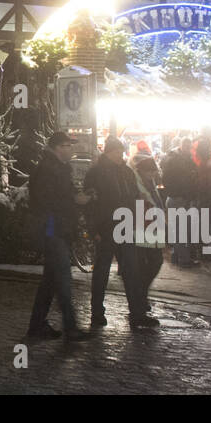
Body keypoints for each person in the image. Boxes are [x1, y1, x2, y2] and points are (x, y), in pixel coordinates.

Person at [27, 132, 90, 342]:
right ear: (57, 148)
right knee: (62, 278)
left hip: (57, 228)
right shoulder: (48, 169)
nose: (71, 149)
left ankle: (36, 326)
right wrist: (73, 200)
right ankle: (70, 327)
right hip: (52, 228)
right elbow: (47, 201)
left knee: (50, 280)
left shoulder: (59, 168)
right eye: (66, 145)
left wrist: (77, 198)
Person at [87, 136, 142, 327]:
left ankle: (137, 311)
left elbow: (134, 196)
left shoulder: (126, 172)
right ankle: (97, 312)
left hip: (124, 225)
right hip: (106, 226)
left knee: (131, 269)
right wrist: (94, 229)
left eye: (121, 151)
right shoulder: (97, 173)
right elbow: (91, 204)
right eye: (117, 152)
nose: (120, 155)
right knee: (102, 270)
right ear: (108, 153)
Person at [127, 155, 165, 328]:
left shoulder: (147, 183)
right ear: (142, 170)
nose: (152, 175)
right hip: (142, 226)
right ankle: (140, 300)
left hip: (151, 225)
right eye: (150, 172)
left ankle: (141, 297)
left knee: (153, 262)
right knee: (150, 263)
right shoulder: (136, 183)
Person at [160, 136, 198, 266]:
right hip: (177, 197)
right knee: (180, 230)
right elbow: (171, 179)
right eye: (187, 147)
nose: (189, 149)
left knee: (178, 229)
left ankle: (177, 256)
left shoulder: (176, 158)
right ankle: (183, 259)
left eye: (190, 147)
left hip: (176, 197)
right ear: (182, 146)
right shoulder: (177, 160)